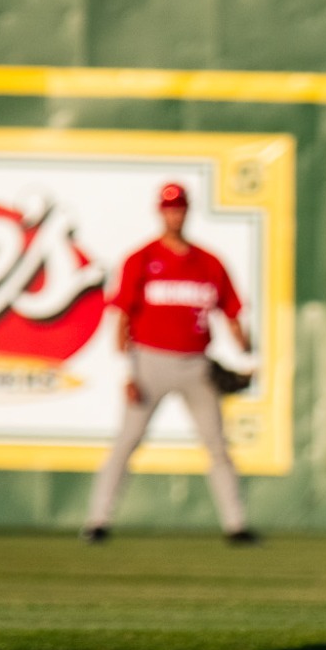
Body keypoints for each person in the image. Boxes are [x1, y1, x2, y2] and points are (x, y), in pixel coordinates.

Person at [83, 182, 257, 546]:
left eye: (179, 208)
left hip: (196, 365)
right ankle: (98, 521)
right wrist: (126, 372)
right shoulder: (142, 258)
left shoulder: (208, 263)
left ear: (187, 212)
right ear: (160, 212)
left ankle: (236, 525)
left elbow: (232, 313)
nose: (174, 215)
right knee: (127, 441)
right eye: (169, 209)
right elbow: (122, 319)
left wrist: (248, 352)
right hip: (150, 362)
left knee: (217, 445)